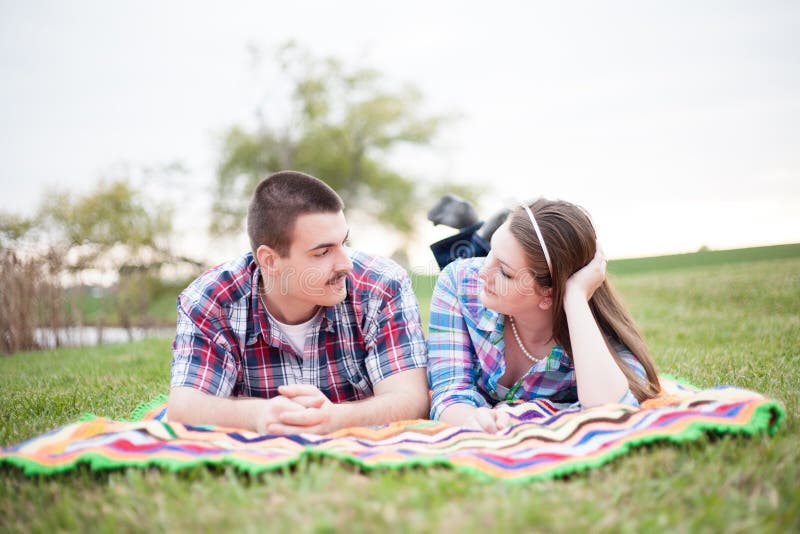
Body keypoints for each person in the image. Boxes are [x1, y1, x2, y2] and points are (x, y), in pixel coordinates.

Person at [168, 171, 429, 435]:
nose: (345, 264)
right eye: (323, 252)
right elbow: (184, 408)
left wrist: (336, 418)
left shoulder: (382, 285)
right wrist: (257, 414)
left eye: (344, 243)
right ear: (270, 261)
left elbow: (410, 398)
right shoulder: (213, 300)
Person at [427, 198, 661, 432]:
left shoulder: (590, 331)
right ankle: (476, 235)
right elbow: (449, 393)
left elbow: (612, 410)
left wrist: (575, 296)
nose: (483, 272)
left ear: (549, 293)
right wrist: (470, 418)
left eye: (505, 273)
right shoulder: (459, 281)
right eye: (491, 253)